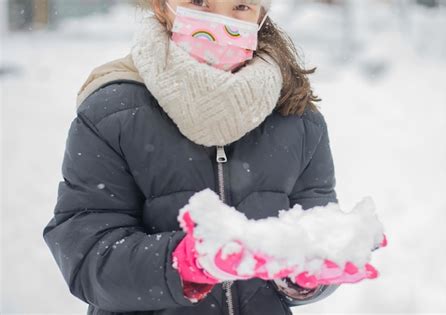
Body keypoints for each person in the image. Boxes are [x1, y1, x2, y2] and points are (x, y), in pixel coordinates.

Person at [42, 0, 342, 314]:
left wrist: (310, 269)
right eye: (200, 2)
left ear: (261, 15)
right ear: (161, 6)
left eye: (241, 6)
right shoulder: (112, 113)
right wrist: (183, 263)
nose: (222, 22)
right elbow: (88, 255)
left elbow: (319, 228)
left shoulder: (296, 116)